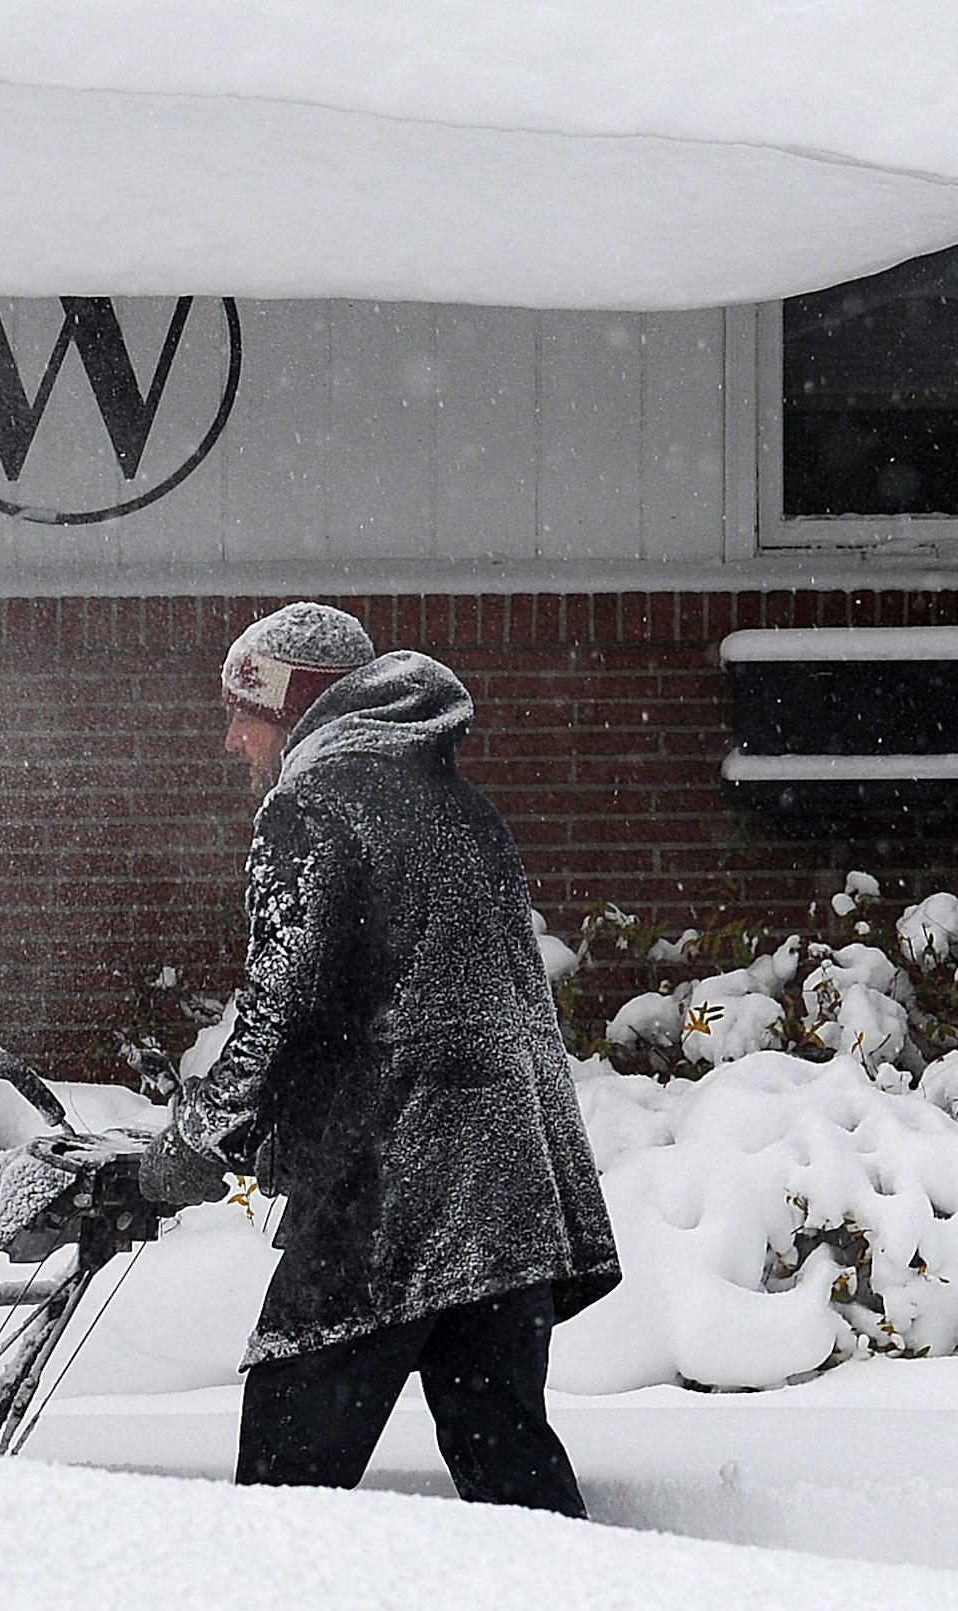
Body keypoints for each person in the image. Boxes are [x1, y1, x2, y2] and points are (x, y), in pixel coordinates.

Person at [139, 603, 619, 1515]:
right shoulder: (459, 805)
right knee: (507, 1456)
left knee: (289, 1467)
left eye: (243, 712)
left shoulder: (311, 801)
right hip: (511, 1182)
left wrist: (199, 1142)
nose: (230, 739)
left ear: (293, 708)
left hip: (394, 1179)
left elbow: (285, 1002)